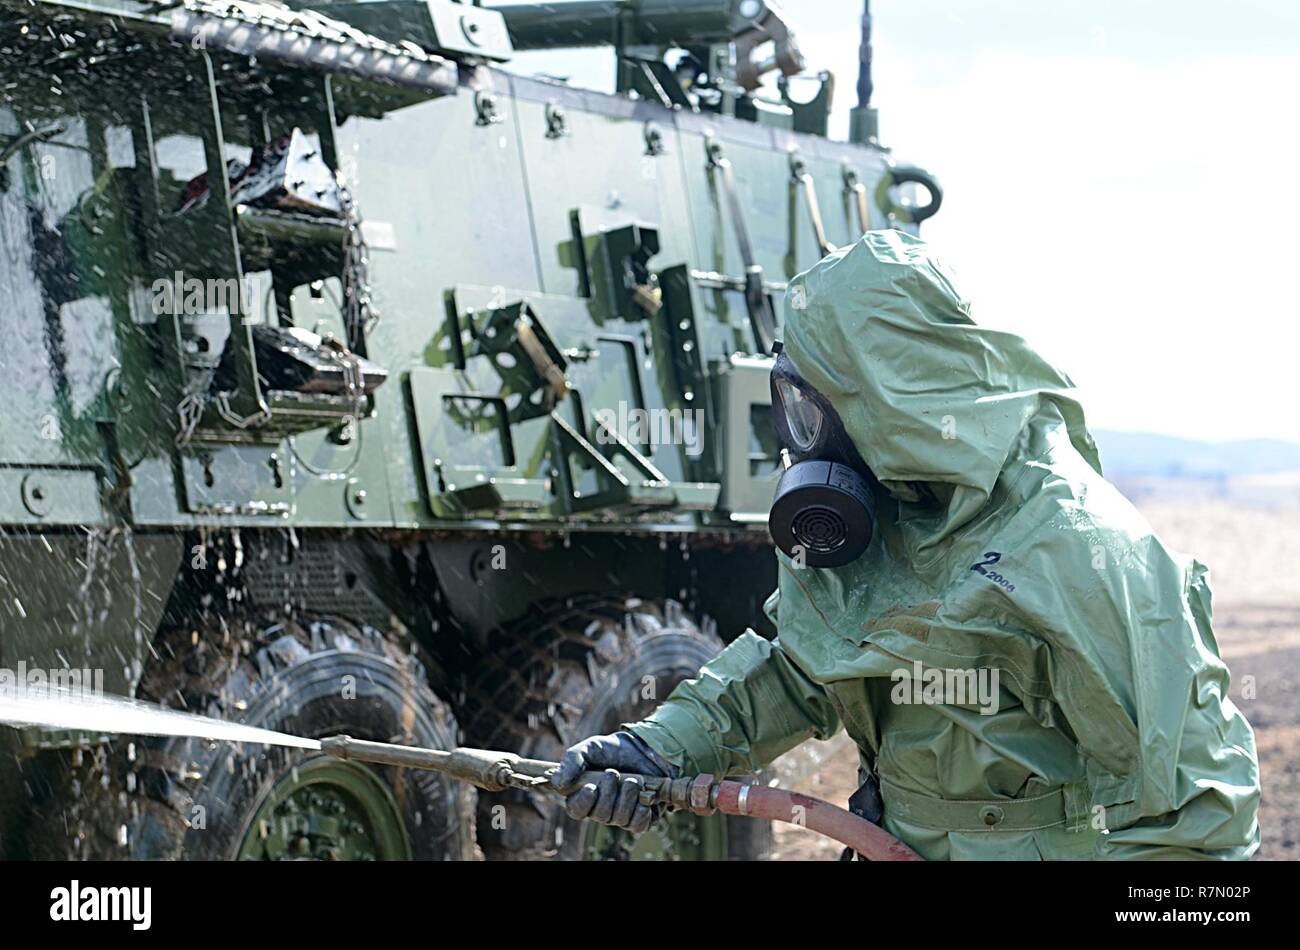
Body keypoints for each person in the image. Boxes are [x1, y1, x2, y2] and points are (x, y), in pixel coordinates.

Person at [553, 231, 1261, 860]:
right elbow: (801, 672)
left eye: (813, 403)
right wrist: (659, 748)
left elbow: (1199, 816)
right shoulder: (879, 506)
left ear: (888, 396)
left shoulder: (1076, 549)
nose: (800, 433)